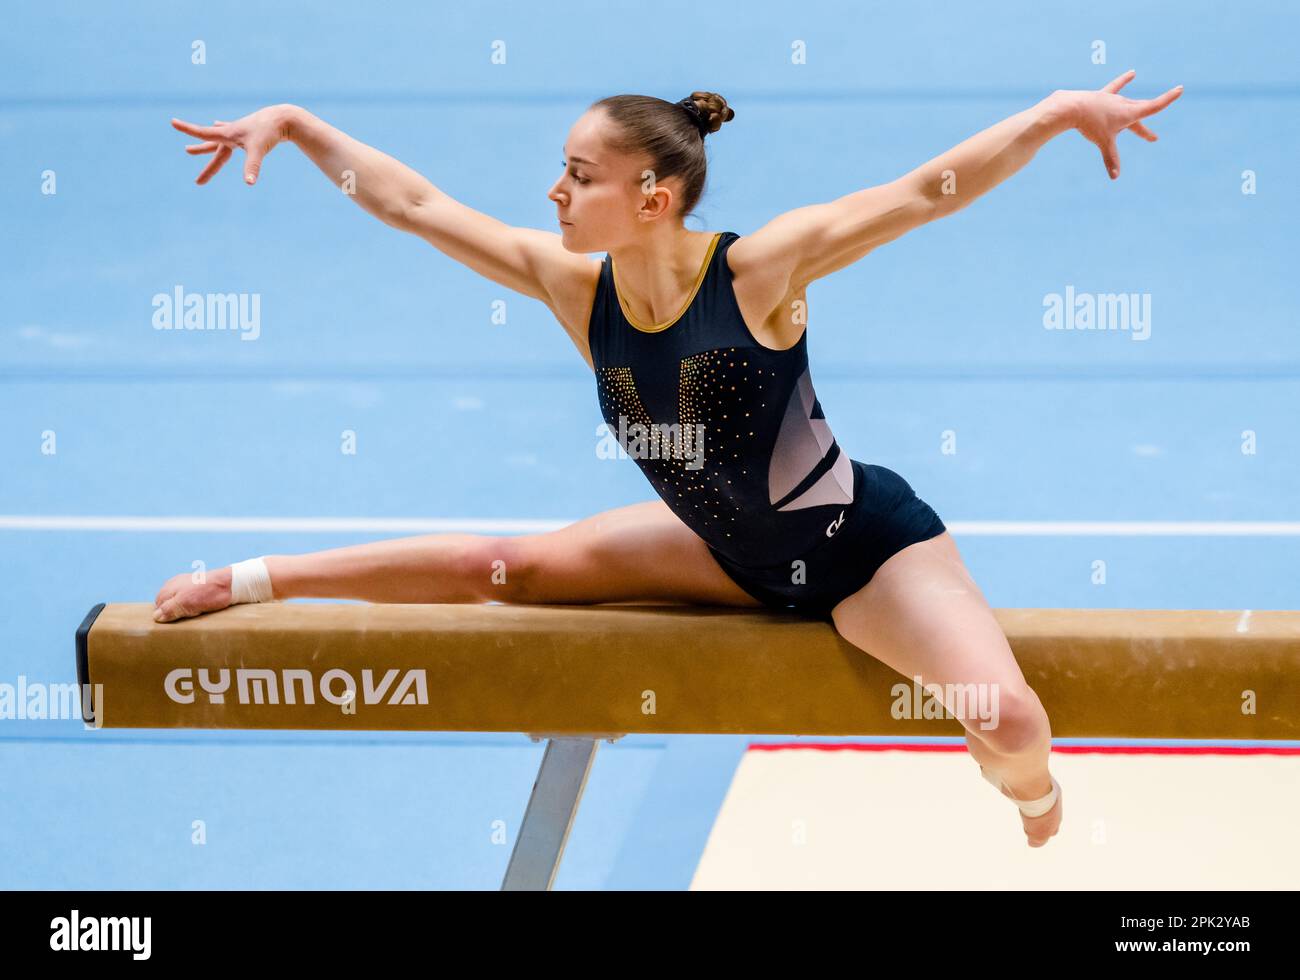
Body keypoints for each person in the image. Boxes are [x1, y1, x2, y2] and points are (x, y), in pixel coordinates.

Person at [161, 72, 1182, 847]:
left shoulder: (759, 269)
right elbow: (415, 205)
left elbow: (924, 192)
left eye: (578, 173)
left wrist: (1051, 115)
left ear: (653, 195)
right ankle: (253, 574)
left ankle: (1033, 798)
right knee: (497, 570)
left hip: (855, 549)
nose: (552, 189)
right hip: (719, 548)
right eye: (561, 167)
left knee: (1005, 717)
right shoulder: (573, 286)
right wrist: (294, 126)